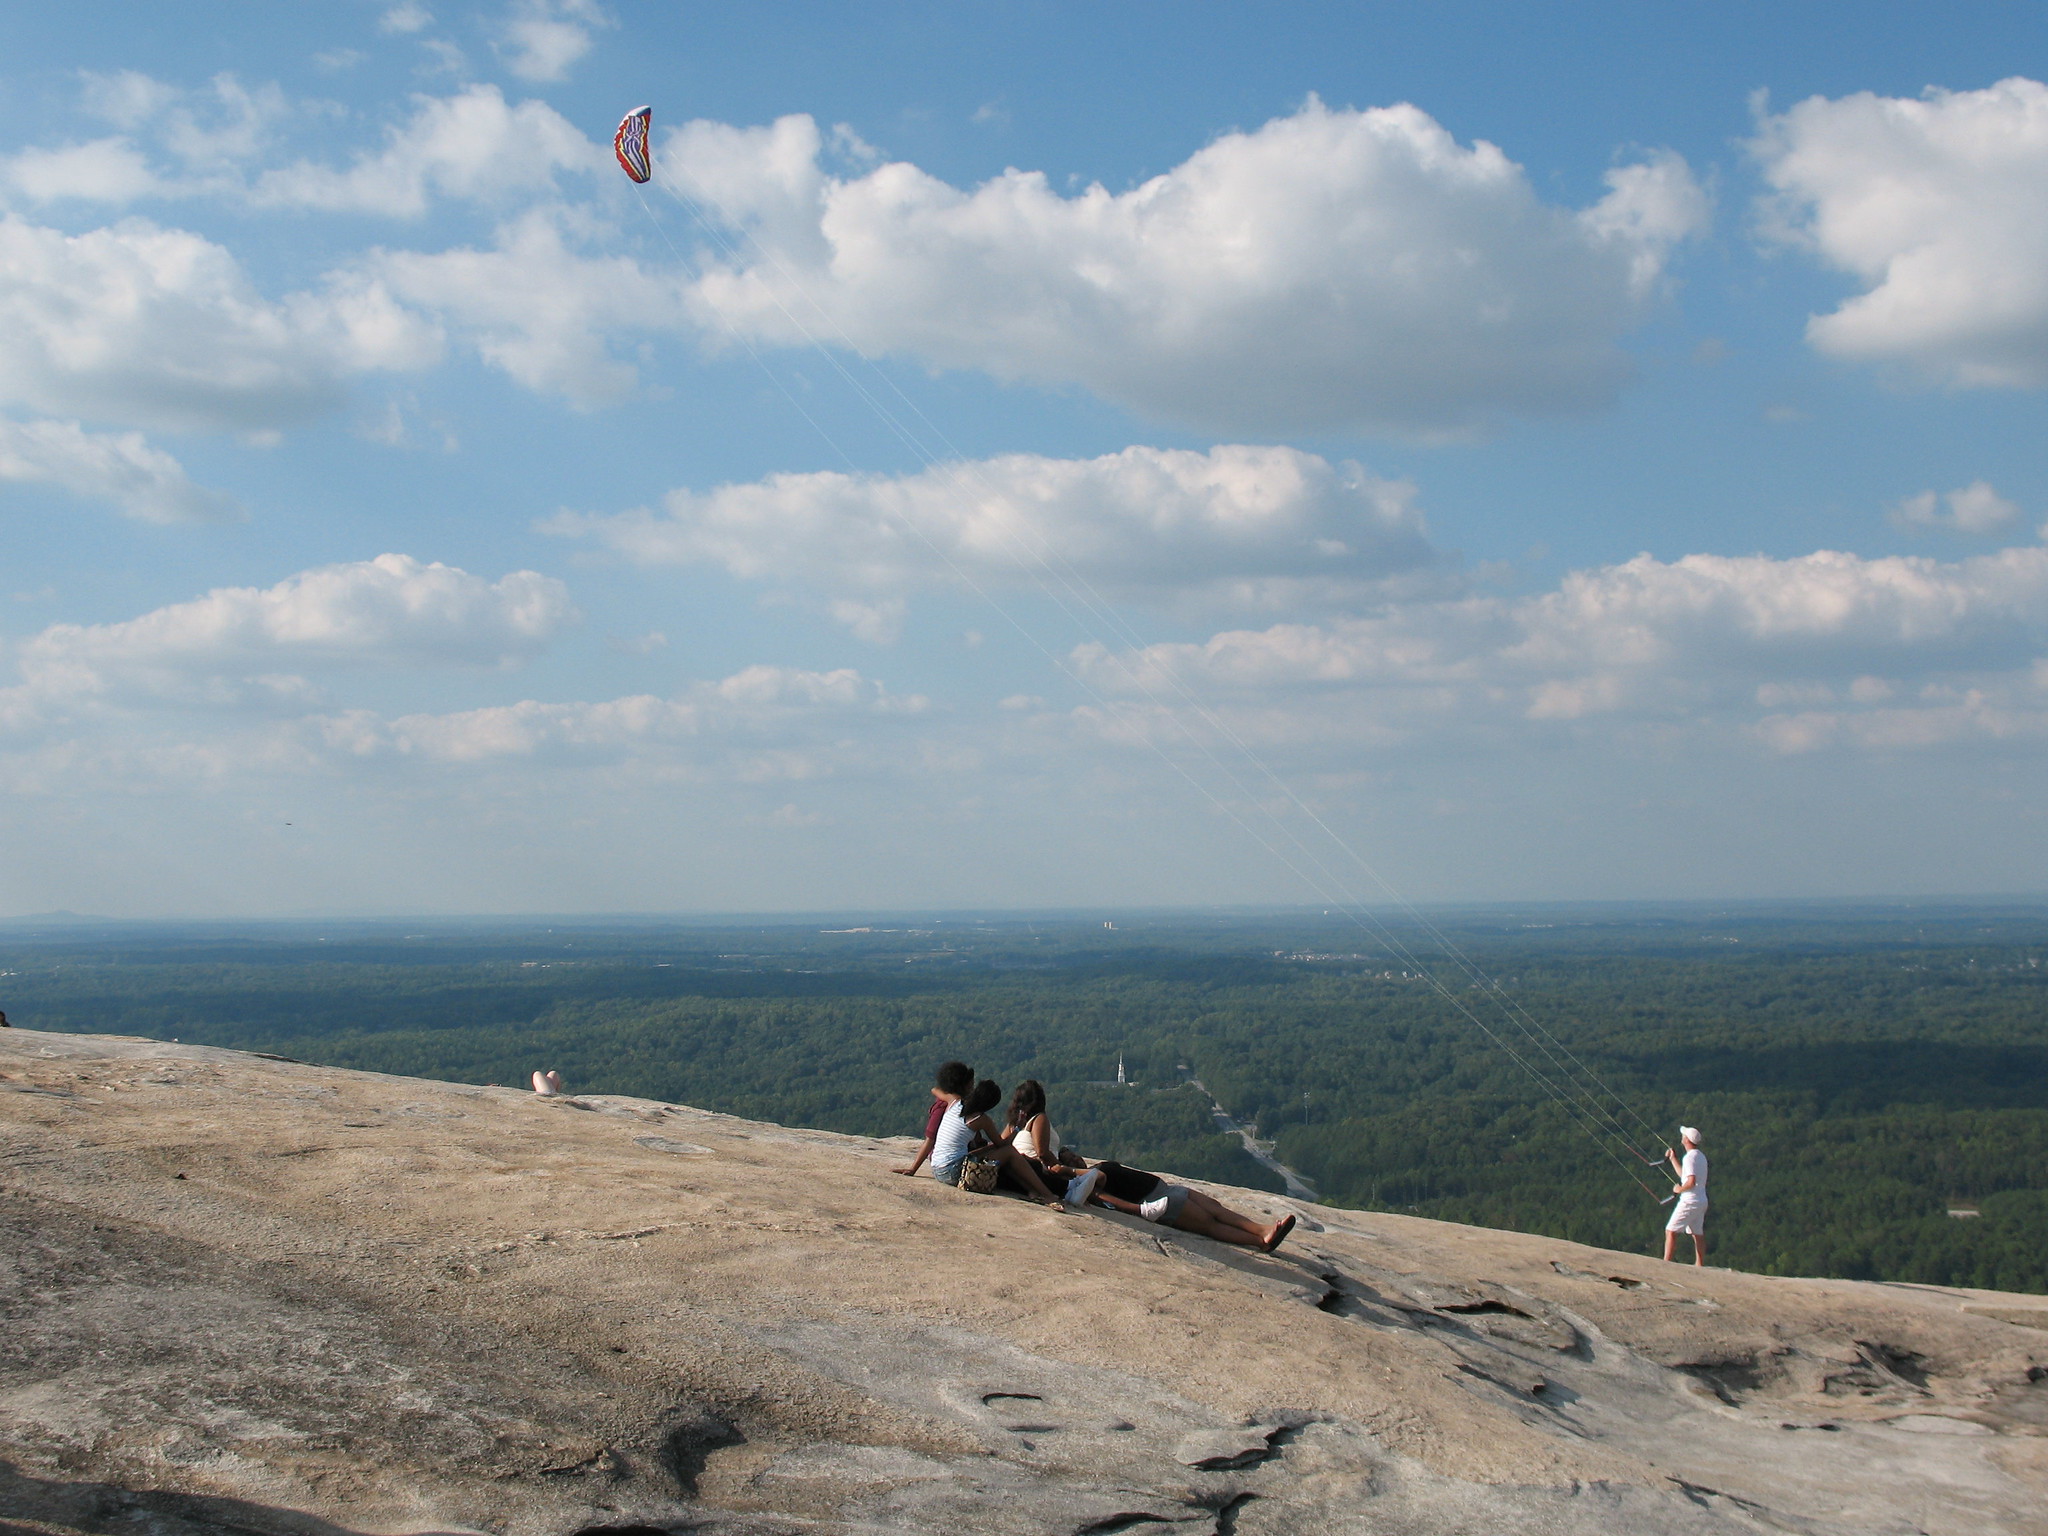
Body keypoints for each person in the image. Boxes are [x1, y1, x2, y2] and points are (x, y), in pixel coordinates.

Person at [1088, 1159, 1295, 1253]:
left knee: (1216, 1208)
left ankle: (1264, 1230)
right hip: (1159, 1202)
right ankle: (1260, 1242)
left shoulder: (1092, 1171)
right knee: (1209, 1224)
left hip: (1166, 1189)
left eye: (1070, 1152)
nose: (1073, 1155)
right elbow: (1106, 1194)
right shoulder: (1091, 1181)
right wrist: (1140, 1210)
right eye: (1068, 1157)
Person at [933, 1078, 1066, 1208]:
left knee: (995, 1153)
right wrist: (1018, 1128)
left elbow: (936, 1089)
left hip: (937, 1169)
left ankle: (1032, 1191)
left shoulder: (954, 1102)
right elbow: (1003, 1145)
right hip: (954, 1172)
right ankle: (1047, 1194)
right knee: (1009, 1153)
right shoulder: (981, 1119)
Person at [995, 1079, 1102, 1207]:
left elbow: (1000, 1143)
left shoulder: (1014, 1124)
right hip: (1033, 1169)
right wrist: (1060, 1167)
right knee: (1043, 1172)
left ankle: (1072, 1188)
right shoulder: (1039, 1118)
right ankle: (1070, 1189)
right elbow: (1042, 1152)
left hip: (1013, 1172)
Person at [895, 1060, 974, 1177]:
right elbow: (930, 1140)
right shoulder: (944, 1108)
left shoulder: (954, 1103)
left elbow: (934, 1089)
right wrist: (913, 1169)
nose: (972, 1087)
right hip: (949, 1162)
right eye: (970, 1084)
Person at [1662, 1125, 1709, 1266]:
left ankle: (1665, 1264)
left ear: (1687, 1140)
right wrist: (1673, 1159)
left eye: (1684, 1136)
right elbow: (1685, 1175)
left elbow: (1690, 1182)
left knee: (1670, 1231)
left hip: (1690, 1201)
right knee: (1697, 1234)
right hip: (1701, 1200)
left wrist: (1678, 1189)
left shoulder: (1689, 1157)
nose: (1682, 1138)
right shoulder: (1700, 1156)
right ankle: (1699, 1264)